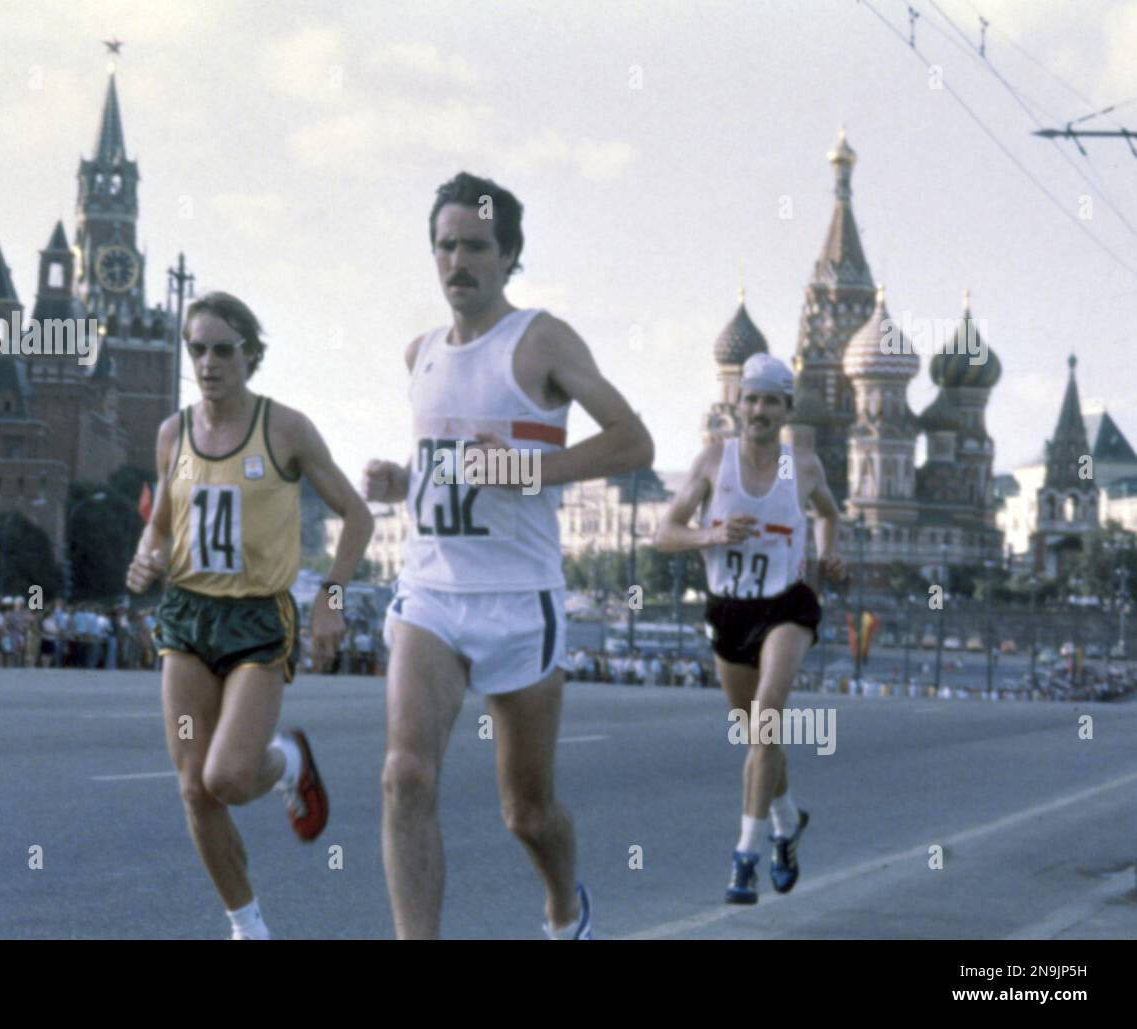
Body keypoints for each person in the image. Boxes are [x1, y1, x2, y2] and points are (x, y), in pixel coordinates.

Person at [364, 171, 654, 939]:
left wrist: (527, 468)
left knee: (525, 812)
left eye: (476, 247)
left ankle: (563, 907)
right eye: (445, 245)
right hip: (431, 589)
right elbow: (446, 458)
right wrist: (404, 479)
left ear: (509, 255)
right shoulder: (419, 352)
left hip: (519, 598)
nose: (457, 261)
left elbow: (634, 441)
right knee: (405, 775)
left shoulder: (540, 340)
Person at [127, 290, 373, 940]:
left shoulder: (285, 428)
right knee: (193, 789)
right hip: (185, 619)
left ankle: (288, 759)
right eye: (197, 349)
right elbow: (162, 523)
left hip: (257, 622)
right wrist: (147, 554)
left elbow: (358, 514)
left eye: (223, 349)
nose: (209, 362)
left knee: (230, 776)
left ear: (251, 355)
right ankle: (248, 927)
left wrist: (332, 598)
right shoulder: (172, 433)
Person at [654, 353, 844, 904]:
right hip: (729, 610)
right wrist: (709, 537)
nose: (758, 410)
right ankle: (787, 823)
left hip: (786, 606)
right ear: (738, 404)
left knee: (765, 722)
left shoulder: (801, 466)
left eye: (770, 401)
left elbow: (829, 512)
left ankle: (745, 857)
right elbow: (665, 532)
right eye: (751, 399)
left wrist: (828, 554)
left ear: (786, 409)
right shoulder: (714, 461)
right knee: (756, 735)